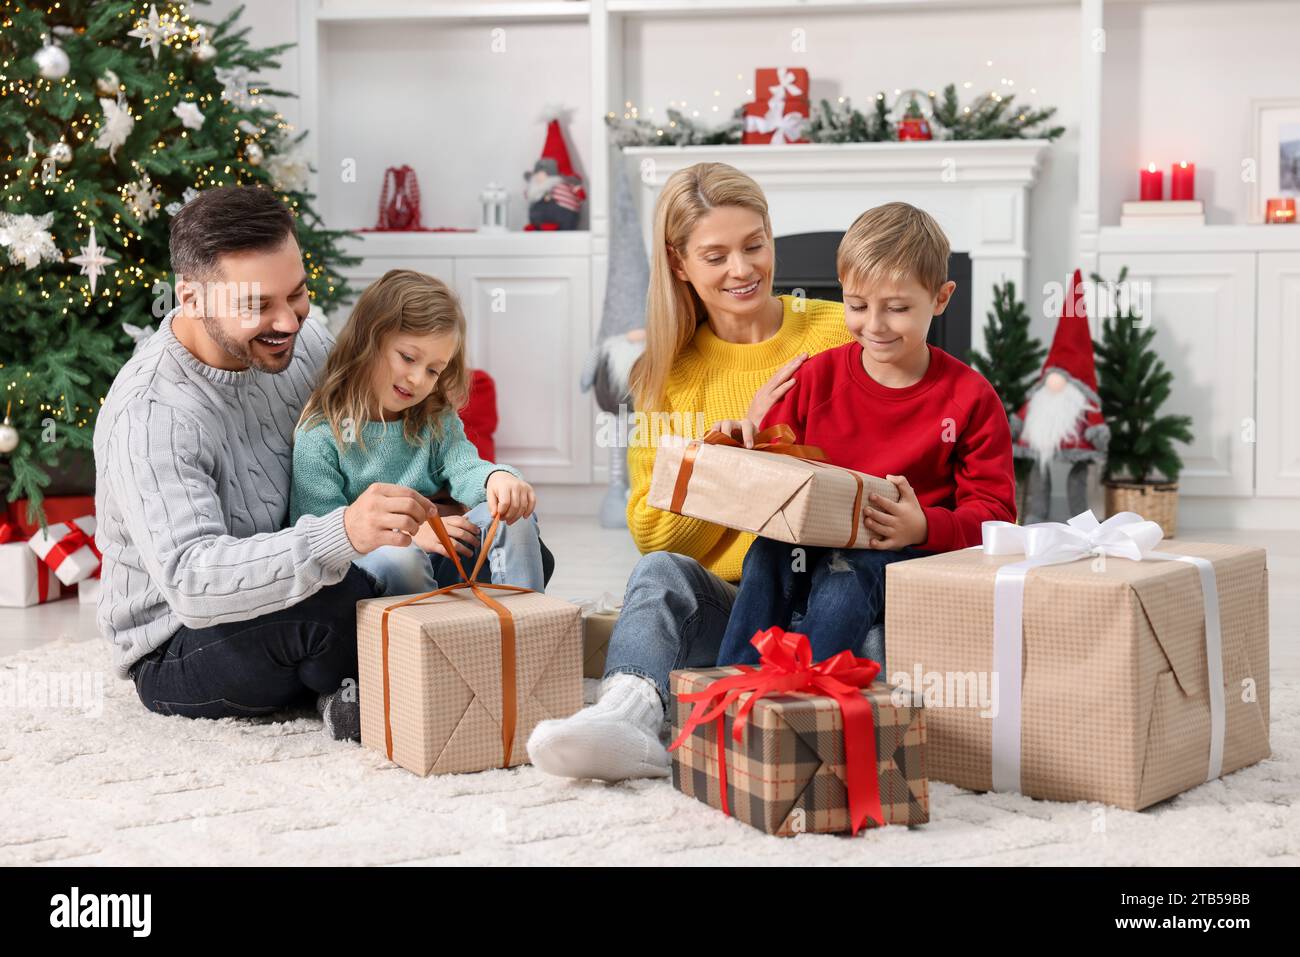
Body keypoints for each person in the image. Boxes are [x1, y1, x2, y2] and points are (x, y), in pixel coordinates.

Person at [526, 162, 852, 782]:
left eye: (754, 244)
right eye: (716, 255)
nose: (742, 269)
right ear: (679, 263)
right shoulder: (665, 375)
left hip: (835, 592)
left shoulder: (838, 331)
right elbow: (652, 532)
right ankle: (627, 718)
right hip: (737, 608)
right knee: (658, 576)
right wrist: (735, 460)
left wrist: (722, 475)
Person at [94, 186, 441, 740]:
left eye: (297, 293)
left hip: (300, 577)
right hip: (178, 638)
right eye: (258, 306)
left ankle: (344, 677)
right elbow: (191, 581)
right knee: (335, 606)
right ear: (192, 298)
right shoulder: (153, 413)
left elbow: (369, 432)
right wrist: (344, 533)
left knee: (489, 554)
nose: (289, 320)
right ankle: (349, 680)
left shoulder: (299, 344)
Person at [714, 201, 1017, 669]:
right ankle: (733, 689)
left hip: (903, 558)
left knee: (844, 576)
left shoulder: (971, 398)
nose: (873, 325)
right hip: (807, 546)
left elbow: (997, 517)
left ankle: (805, 700)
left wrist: (922, 527)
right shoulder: (815, 379)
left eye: (897, 309)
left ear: (941, 298)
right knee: (765, 557)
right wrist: (743, 443)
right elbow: (775, 472)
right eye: (857, 306)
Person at [290, 268, 544, 597]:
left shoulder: (434, 419)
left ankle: (523, 634)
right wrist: (409, 534)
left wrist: (496, 479)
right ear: (369, 339)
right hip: (372, 560)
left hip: (442, 548)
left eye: (433, 370)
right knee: (402, 558)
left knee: (516, 520)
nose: (417, 379)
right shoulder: (322, 435)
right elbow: (323, 530)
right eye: (408, 358)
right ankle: (424, 644)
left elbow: (464, 466)